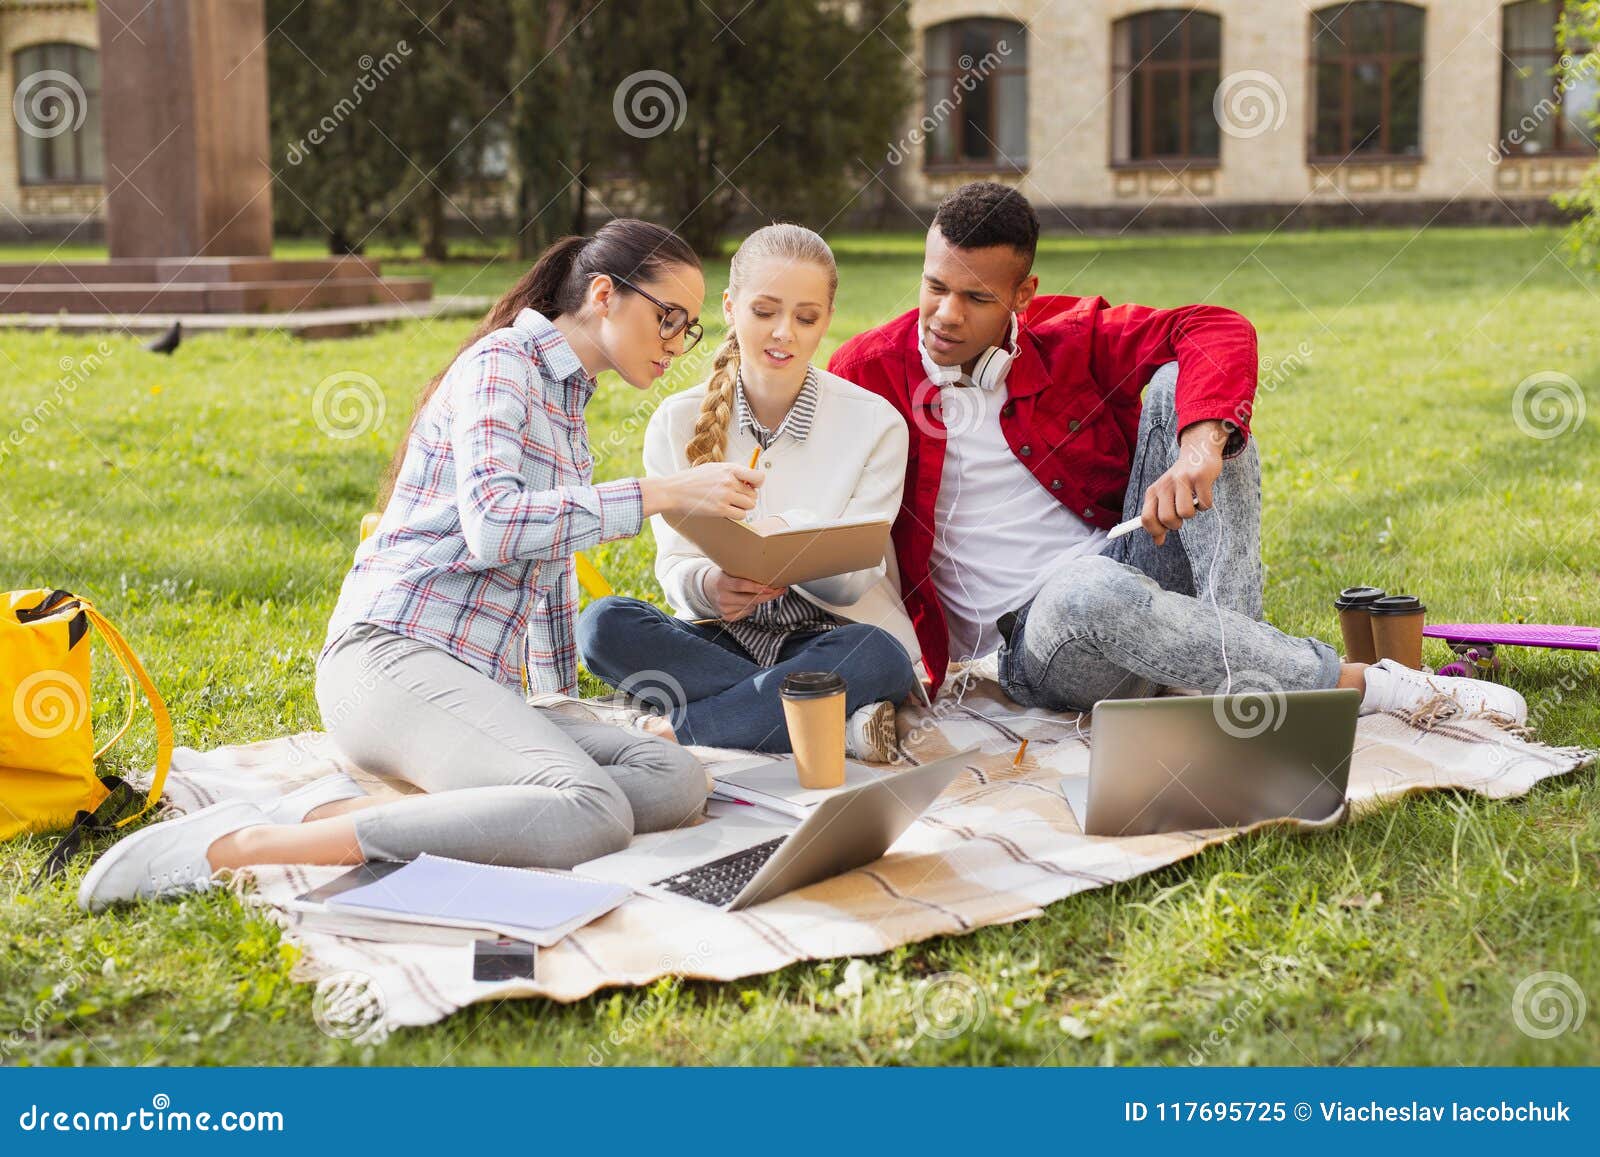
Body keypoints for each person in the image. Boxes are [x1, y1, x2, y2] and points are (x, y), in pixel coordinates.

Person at [80, 219, 763, 911]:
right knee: (594, 810)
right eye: (667, 317)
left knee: (673, 779)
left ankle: (424, 809)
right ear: (604, 294)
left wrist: (553, 710)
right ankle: (248, 844)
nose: (676, 342)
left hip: (475, 690)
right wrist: (662, 493)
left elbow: (550, 577)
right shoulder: (503, 363)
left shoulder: (569, 409)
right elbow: (495, 524)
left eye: (690, 329)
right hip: (389, 660)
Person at [827, 181, 1526, 725]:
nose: (947, 315)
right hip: (1036, 647)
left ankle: (1236, 657)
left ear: (1023, 295)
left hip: (1138, 568)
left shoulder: (1068, 333)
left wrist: (1201, 443)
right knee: (1087, 592)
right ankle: (1366, 687)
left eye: (976, 298)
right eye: (935, 287)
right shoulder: (867, 369)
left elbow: (1217, 327)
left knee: (1190, 397)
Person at [578, 224, 920, 759]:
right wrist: (709, 586)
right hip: (724, 639)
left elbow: (855, 581)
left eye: (806, 318)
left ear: (827, 318)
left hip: (834, 636)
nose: (784, 333)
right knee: (603, 626)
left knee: (878, 656)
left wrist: (789, 535)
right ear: (730, 307)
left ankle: (684, 730)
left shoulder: (877, 424)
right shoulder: (675, 420)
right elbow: (675, 565)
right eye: (764, 312)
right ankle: (826, 719)